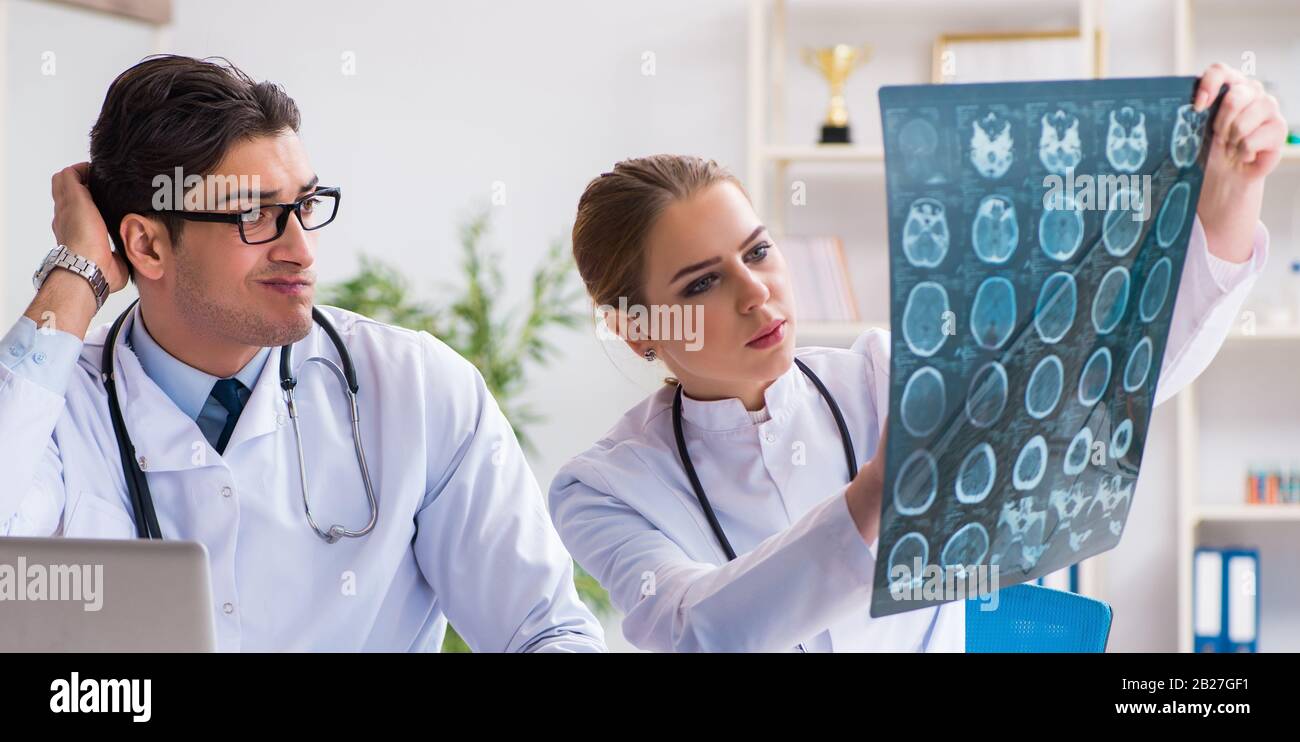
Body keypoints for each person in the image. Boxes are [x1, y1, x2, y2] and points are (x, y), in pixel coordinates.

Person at [547, 63, 1281, 652]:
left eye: (759, 252)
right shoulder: (604, 486)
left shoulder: (881, 374)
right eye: (703, 281)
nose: (755, 293)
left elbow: (1104, 391)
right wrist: (875, 496)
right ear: (637, 328)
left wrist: (1231, 195)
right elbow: (691, 630)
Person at [0, 55, 605, 653]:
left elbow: (550, 635)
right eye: (253, 215)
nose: (302, 250)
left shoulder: (417, 389)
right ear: (146, 245)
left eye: (306, 206)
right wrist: (77, 275)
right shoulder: (53, 406)